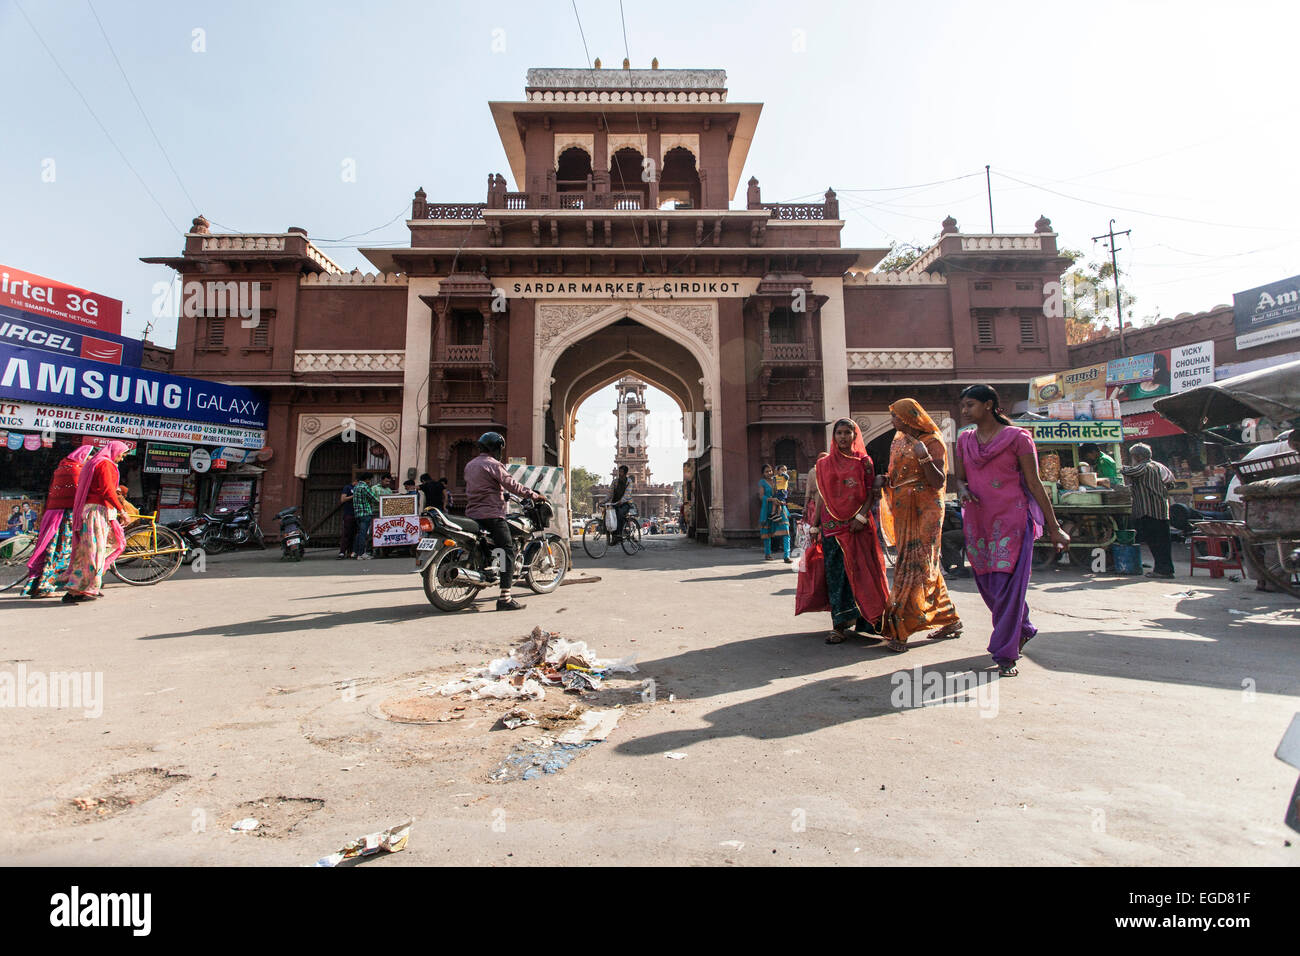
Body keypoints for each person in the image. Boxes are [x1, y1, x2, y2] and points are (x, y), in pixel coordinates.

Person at [955, 385, 1069, 677]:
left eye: (970, 405)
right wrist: (964, 489)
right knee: (990, 587)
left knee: (1009, 587)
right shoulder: (964, 440)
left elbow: (1034, 483)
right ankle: (1024, 627)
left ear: (989, 405)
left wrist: (1054, 527)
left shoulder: (1018, 438)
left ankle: (1005, 653)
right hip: (978, 522)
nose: (964, 411)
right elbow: (960, 479)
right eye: (963, 406)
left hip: (1013, 522)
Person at [878, 398, 962, 651]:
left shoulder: (932, 442)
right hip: (904, 511)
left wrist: (924, 458)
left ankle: (901, 629)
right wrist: (885, 480)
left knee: (915, 564)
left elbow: (938, 482)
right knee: (924, 565)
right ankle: (949, 618)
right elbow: (898, 477)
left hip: (925, 511)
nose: (892, 421)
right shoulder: (899, 442)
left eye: (895, 416)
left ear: (907, 418)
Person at [806, 418, 891, 644]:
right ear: (833, 437)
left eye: (847, 433)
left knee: (863, 573)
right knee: (837, 577)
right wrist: (815, 525)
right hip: (832, 528)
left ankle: (871, 619)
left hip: (857, 526)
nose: (843, 437)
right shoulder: (824, 465)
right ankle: (839, 625)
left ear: (855, 436)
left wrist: (861, 517)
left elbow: (871, 493)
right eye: (839, 433)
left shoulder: (864, 462)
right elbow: (821, 498)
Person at [464, 431, 547, 611]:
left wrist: (502, 493)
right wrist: (534, 495)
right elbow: (513, 485)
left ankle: (488, 568)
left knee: (493, 546)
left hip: (473, 514)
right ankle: (505, 598)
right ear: (496, 448)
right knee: (507, 550)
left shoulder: (470, 465)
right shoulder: (494, 465)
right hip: (492, 514)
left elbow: (483, 487)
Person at [60, 440, 131, 603]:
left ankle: (88, 586)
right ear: (116, 451)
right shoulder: (105, 464)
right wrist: (122, 511)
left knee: (92, 550)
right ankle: (77, 591)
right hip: (96, 511)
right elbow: (107, 491)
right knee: (93, 552)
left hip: (93, 511)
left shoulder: (94, 462)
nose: (122, 459)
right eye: (122, 454)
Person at [21, 445, 94, 598]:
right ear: (83, 456)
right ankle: (45, 586)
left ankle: (37, 585)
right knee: (61, 551)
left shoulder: (61, 468)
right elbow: (77, 495)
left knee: (49, 550)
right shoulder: (76, 470)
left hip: (53, 513)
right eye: (88, 458)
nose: (89, 461)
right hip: (65, 516)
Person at [1122, 442, 1176, 578]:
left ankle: (1162, 570)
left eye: (1133, 456)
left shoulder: (1143, 467)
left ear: (1138, 456)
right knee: (1163, 542)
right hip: (1162, 509)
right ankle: (1165, 569)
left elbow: (1128, 471)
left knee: (1156, 542)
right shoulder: (1159, 466)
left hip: (1149, 510)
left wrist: (1118, 467)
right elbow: (1171, 483)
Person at [759, 464, 792, 562]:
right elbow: (761, 497)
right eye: (766, 471)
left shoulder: (777, 479)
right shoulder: (762, 482)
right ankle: (768, 554)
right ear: (763, 473)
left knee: (786, 530)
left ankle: (787, 555)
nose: (769, 473)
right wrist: (772, 499)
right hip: (768, 508)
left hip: (781, 507)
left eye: (770, 471)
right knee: (767, 532)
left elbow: (784, 490)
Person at [351, 473, 379, 560]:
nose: (370, 482)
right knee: (363, 534)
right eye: (369, 480)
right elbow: (373, 498)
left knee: (359, 533)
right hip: (365, 512)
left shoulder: (355, 487)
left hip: (357, 513)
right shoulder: (364, 487)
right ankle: (361, 553)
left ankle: (355, 552)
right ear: (367, 479)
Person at [609, 465, 633, 536]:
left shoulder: (629, 481)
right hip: (615, 503)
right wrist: (603, 501)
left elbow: (627, 494)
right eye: (619, 471)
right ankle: (613, 535)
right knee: (609, 515)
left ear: (625, 473)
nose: (620, 473)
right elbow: (610, 494)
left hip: (626, 503)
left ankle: (619, 534)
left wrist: (621, 501)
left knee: (619, 514)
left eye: (621, 472)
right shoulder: (615, 481)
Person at [338, 479, 357, 559]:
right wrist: (353, 496)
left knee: (354, 533)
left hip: (357, 513)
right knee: (346, 533)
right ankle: (342, 551)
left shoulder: (360, 488)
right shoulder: (348, 488)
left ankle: (351, 551)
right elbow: (343, 499)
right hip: (349, 513)